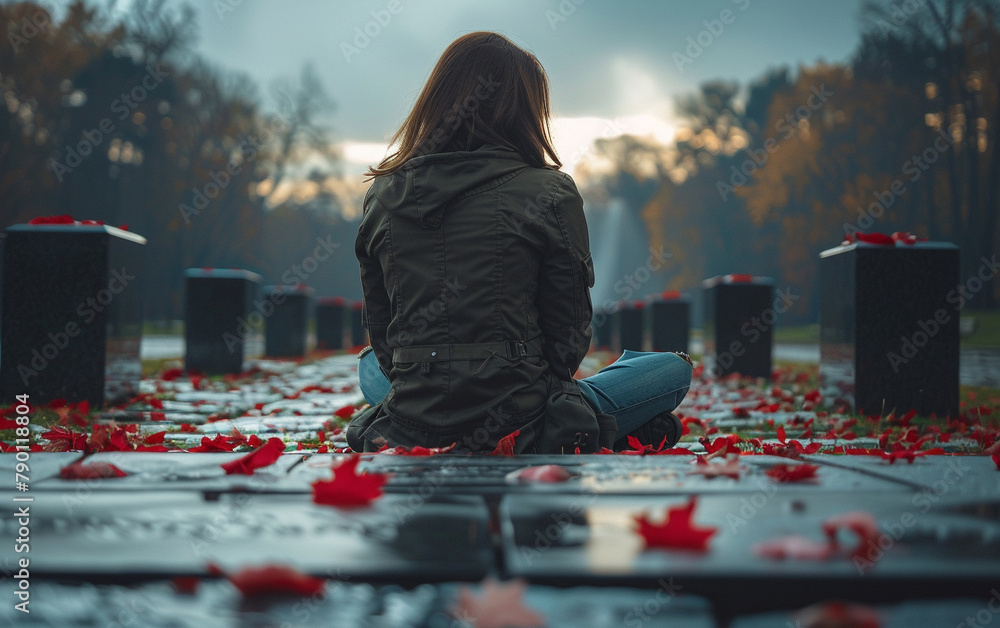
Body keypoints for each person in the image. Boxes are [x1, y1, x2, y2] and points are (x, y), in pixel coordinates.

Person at [348, 31, 691, 454]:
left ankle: (598, 423)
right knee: (672, 369)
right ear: (525, 112)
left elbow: (382, 334)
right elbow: (566, 341)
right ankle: (599, 426)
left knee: (370, 367)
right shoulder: (550, 191)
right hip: (519, 416)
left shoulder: (382, 196)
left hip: (416, 415)